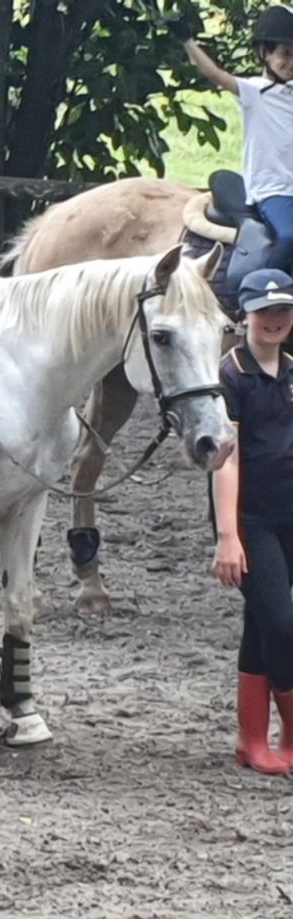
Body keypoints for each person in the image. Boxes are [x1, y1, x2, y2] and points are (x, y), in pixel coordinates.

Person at [211, 269, 293, 776]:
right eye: (264, 312)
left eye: (282, 310)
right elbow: (227, 459)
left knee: (262, 623)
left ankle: (251, 739)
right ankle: (284, 733)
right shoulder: (229, 376)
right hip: (251, 518)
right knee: (281, 625)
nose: (275, 320)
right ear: (244, 315)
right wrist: (227, 536)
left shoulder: (292, 370)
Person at [181, 5, 293, 275]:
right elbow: (215, 74)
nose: (291, 63)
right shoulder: (254, 92)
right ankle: (257, 290)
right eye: (285, 54)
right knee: (290, 236)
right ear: (264, 53)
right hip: (273, 190)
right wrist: (187, 41)